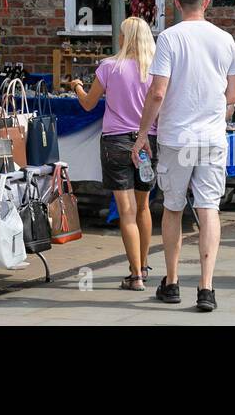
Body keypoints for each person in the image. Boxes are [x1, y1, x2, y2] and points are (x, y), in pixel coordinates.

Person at [131, 0, 235, 312]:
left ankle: (173, 281)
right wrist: (213, 117)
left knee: (174, 208)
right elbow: (234, 94)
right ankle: (206, 287)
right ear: (206, 3)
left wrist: (140, 137)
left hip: (177, 137)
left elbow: (158, 92)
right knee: (209, 209)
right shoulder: (225, 39)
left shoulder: (169, 38)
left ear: (177, 4)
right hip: (210, 138)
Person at [71, 16, 158, 291]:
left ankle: (136, 276)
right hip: (146, 143)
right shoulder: (156, 69)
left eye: (121, 34)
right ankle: (143, 265)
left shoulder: (109, 67)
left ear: (125, 38)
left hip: (116, 142)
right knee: (144, 207)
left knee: (127, 212)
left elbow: (87, 104)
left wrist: (76, 87)